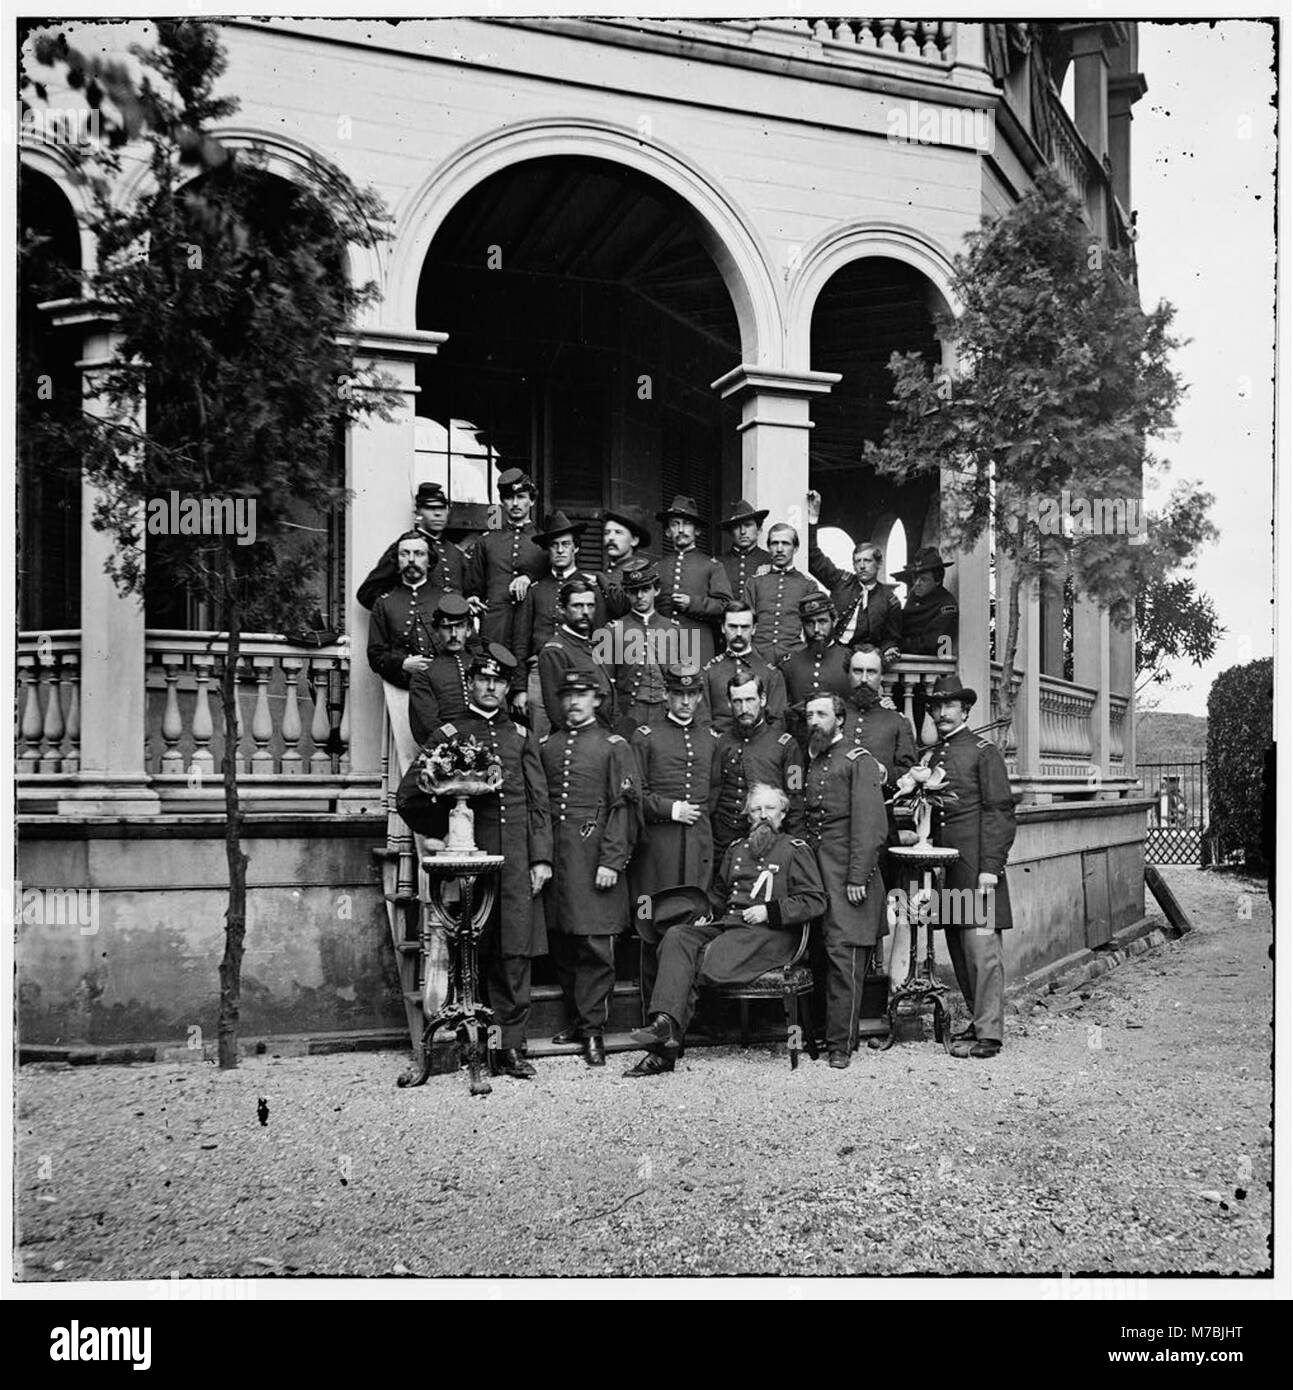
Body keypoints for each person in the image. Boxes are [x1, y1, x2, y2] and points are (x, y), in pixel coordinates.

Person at [394, 645, 553, 1080]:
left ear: (505, 688)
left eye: (498, 681)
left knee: (515, 952)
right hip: (471, 866)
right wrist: (442, 834)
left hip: (518, 862)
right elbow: (410, 794)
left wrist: (541, 859)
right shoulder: (450, 732)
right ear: (472, 683)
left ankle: (512, 1047)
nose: (490, 686)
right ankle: (475, 1042)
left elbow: (539, 804)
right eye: (483, 679)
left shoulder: (521, 736)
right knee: (473, 951)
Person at [625, 784, 827, 1077]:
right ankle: (664, 1025)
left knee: (697, 959)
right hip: (730, 928)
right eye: (756, 810)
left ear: (782, 814)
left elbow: (815, 901)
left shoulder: (796, 850)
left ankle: (664, 1049)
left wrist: (768, 911)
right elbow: (720, 896)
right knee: (677, 937)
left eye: (770, 809)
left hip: (772, 935)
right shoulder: (736, 850)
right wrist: (705, 915)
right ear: (748, 816)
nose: (763, 815)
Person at [911, 672, 1016, 1060]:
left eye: (949, 705)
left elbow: (999, 813)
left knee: (981, 949)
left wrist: (991, 866)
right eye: (936, 706)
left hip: (977, 868)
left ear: (966, 709)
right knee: (960, 947)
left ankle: (990, 1034)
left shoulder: (983, 752)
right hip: (949, 870)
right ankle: (978, 1020)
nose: (941, 713)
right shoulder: (936, 755)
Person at [539, 671, 640, 1067]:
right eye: (567, 695)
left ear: (597, 700)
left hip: (597, 861)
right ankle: (580, 1021)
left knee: (596, 947)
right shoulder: (549, 746)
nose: (574, 702)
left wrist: (612, 861)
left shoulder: (614, 746)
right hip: (561, 864)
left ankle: (594, 1031)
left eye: (582, 695)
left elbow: (625, 806)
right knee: (564, 943)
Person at [628, 663, 723, 1018]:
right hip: (656, 851)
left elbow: (713, 790)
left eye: (692, 695)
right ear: (667, 695)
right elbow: (636, 793)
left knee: (692, 927)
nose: (685, 702)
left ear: (700, 696)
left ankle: (688, 1018)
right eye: (678, 694)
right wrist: (670, 810)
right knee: (650, 926)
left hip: (697, 846)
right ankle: (650, 1017)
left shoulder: (711, 739)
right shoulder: (645, 736)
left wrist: (695, 819)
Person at [802, 691, 889, 1067]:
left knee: (845, 955)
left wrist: (858, 876)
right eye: (809, 715)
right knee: (822, 953)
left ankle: (841, 1044)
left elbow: (870, 826)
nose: (814, 721)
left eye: (821, 714)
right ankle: (823, 1034)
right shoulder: (816, 759)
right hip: (819, 870)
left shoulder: (859, 760)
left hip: (848, 874)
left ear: (840, 718)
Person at [515, 510, 608, 737]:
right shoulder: (536, 590)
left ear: (575, 548)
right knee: (541, 739)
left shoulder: (590, 588)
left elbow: (601, 637)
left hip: (581, 670)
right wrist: (519, 688)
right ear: (547, 550)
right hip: (539, 674)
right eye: (554, 545)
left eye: (565, 544)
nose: (559, 550)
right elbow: (520, 641)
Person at [711, 674, 804, 855]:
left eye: (750, 700)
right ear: (729, 703)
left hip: (771, 841)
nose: (744, 708)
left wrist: (795, 845)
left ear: (762, 699)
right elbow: (713, 793)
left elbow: (796, 797)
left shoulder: (786, 745)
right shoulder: (720, 743)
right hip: (725, 842)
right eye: (737, 701)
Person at [805, 492, 902, 664]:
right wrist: (813, 517)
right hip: (829, 654)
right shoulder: (841, 580)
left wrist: (889, 648)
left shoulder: (889, 600)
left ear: (878, 564)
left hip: (861, 660)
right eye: (858, 561)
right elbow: (813, 557)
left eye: (867, 561)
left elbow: (891, 637)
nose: (862, 566)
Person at [464, 467, 547, 652]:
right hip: (495, 627)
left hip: (531, 628)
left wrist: (529, 578)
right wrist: (473, 598)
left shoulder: (544, 543)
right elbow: (474, 588)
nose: (515, 503)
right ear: (502, 502)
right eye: (509, 498)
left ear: (532, 500)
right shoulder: (487, 542)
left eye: (521, 497)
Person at [356, 481, 472, 613]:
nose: (438, 513)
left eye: (442, 508)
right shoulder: (405, 548)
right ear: (418, 512)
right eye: (430, 508)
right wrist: (402, 615)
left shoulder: (455, 552)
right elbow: (368, 593)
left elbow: (468, 593)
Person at [602, 559, 686, 737]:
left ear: (657, 590)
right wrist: (617, 721)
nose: (639, 596)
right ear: (626, 593)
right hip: (629, 714)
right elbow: (606, 684)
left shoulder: (674, 629)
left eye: (645, 589)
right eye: (633, 591)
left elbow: (685, 682)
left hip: (665, 715)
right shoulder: (613, 630)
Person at [654, 493, 734, 666]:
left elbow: (726, 605)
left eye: (687, 524)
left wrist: (693, 603)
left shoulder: (711, 566)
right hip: (662, 644)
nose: (681, 530)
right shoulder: (658, 567)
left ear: (697, 530)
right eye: (675, 524)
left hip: (698, 644)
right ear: (668, 531)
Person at [536, 578, 616, 731]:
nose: (585, 612)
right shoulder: (555, 651)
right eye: (577, 606)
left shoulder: (590, 645)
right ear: (562, 609)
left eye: (590, 606)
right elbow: (559, 713)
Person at [777, 593, 853, 752]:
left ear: (834, 621)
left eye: (822, 621)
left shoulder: (850, 660)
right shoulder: (789, 663)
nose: (816, 629)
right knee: (794, 777)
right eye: (810, 623)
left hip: (839, 746)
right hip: (798, 747)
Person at [366, 530, 440, 690]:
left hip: (444, 688)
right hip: (399, 686)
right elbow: (375, 654)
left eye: (419, 554)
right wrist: (403, 663)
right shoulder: (384, 603)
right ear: (397, 560)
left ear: (429, 560)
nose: (411, 560)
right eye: (404, 554)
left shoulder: (446, 598)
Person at [408, 593, 483, 747]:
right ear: (436, 631)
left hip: (486, 740)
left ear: (469, 630)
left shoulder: (482, 667)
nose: (454, 634)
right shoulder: (425, 674)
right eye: (447, 627)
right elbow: (428, 724)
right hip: (446, 747)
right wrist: (460, 744)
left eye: (460, 627)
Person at [699, 604, 788, 734]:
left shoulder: (771, 674)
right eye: (733, 627)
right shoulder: (709, 672)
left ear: (754, 629)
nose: (739, 633)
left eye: (745, 627)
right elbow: (702, 721)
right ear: (723, 628)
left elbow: (778, 721)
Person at [743, 523, 819, 662]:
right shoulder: (755, 582)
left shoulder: (808, 585)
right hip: (758, 656)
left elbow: (813, 627)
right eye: (774, 543)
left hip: (795, 657)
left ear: (795, 548)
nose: (779, 549)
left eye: (785, 543)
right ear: (768, 547)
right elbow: (744, 622)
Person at [843, 645, 917, 784]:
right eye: (857, 671)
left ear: (882, 675)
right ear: (848, 674)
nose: (864, 679)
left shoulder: (897, 722)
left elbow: (910, 772)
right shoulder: (834, 716)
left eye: (871, 672)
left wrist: (885, 775)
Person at [894, 547, 958, 658]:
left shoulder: (947, 606)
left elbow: (929, 644)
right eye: (915, 579)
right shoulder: (914, 596)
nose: (917, 584)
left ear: (937, 580)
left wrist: (900, 644)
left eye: (923, 579)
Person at [601, 505, 654, 617]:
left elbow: (623, 607)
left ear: (634, 541)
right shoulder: (607, 570)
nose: (610, 537)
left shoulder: (640, 571)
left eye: (618, 532)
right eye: (607, 532)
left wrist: (600, 578)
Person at [717, 498, 771, 598]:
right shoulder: (718, 563)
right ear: (730, 532)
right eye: (737, 527)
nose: (742, 532)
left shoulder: (770, 561)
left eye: (748, 525)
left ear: (759, 530)